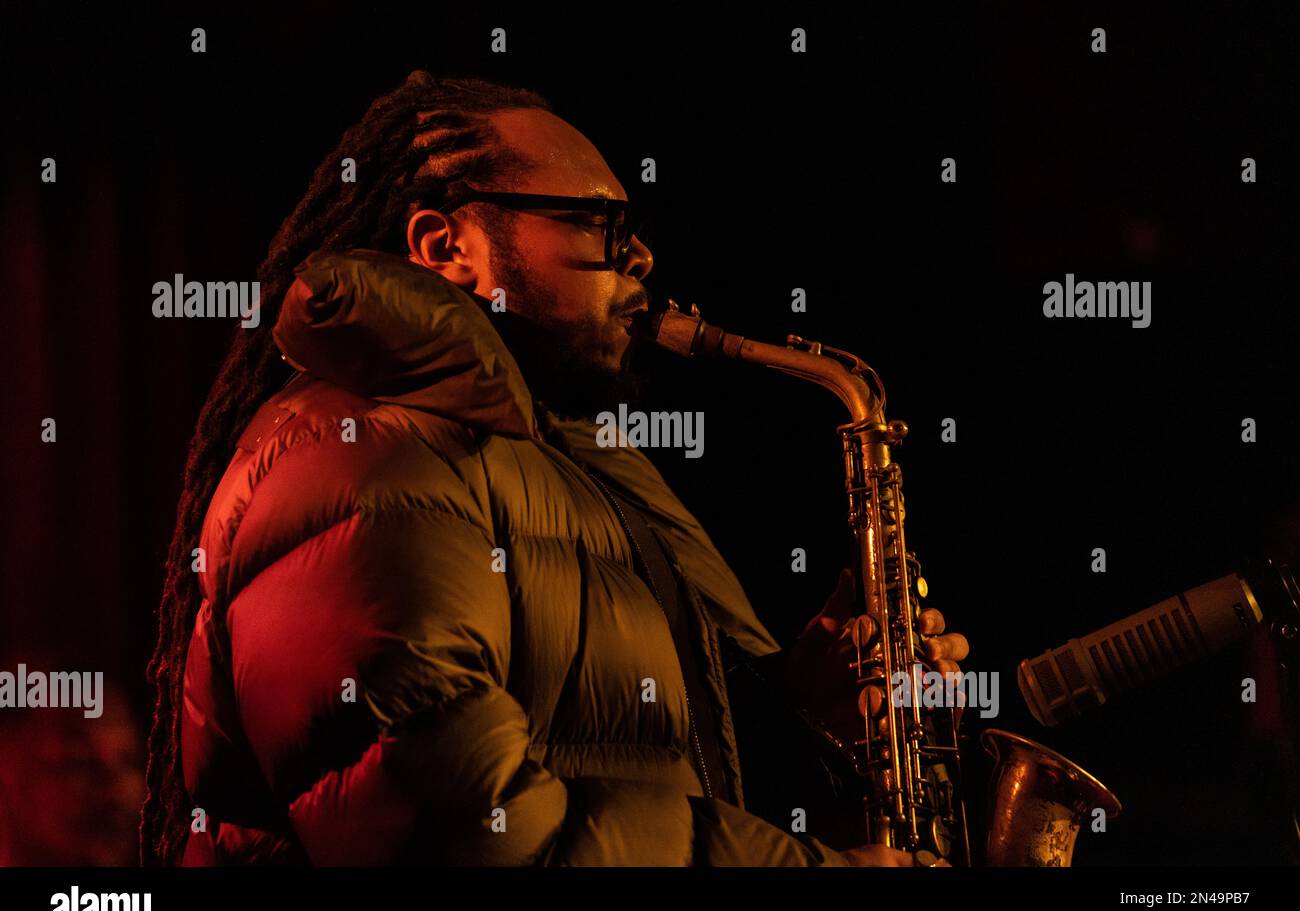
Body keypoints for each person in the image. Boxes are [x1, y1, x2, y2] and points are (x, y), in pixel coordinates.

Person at [141, 71, 969, 866]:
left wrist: (792, 711)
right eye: (599, 223)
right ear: (447, 246)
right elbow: (466, 833)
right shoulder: (357, 453)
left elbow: (626, 760)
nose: (640, 256)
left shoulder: (582, 461)